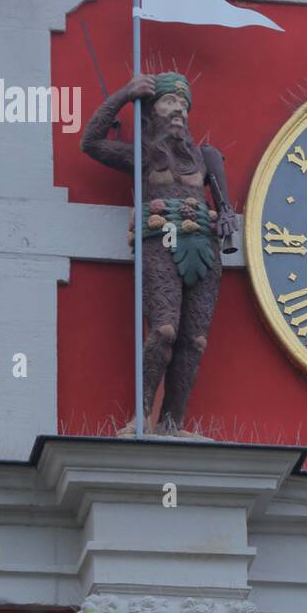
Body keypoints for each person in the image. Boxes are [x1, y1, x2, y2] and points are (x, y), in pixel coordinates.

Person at [81, 72, 239, 434]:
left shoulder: (203, 158)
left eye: (183, 105)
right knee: (165, 330)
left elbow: (223, 203)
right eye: (170, 102)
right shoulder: (143, 154)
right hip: (161, 241)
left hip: (204, 246)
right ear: (152, 112)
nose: (179, 111)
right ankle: (142, 417)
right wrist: (124, 94)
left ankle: (171, 424)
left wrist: (225, 217)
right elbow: (90, 142)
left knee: (194, 340)